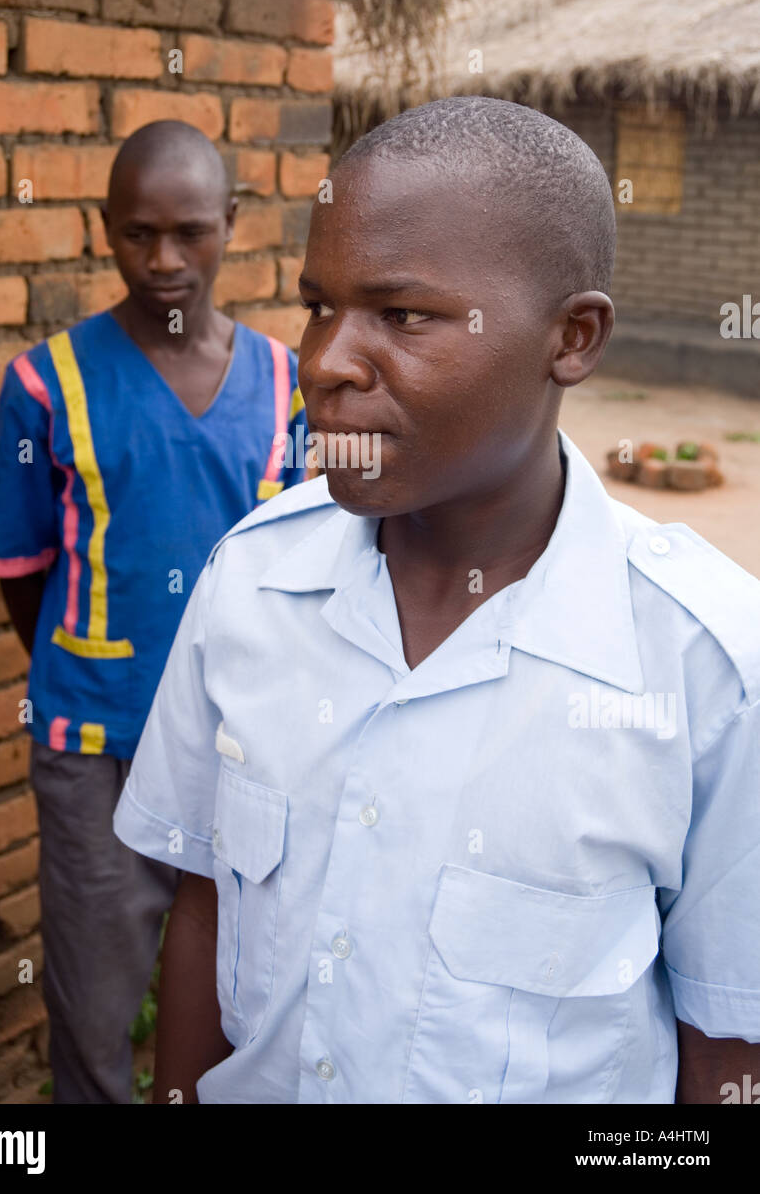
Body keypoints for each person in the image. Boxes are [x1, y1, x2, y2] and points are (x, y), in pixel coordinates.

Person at [113, 97, 760, 1105]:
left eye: (403, 316)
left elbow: (724, 1047)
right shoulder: (251, 581)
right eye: (316, 304)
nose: (323, 361)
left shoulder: (705, 668)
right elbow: (204, 904)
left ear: (571, 337)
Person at [0, 119, 307, 1104]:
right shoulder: (49, 381)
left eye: (190, 232)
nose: (164, 260)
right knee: (93, 1000)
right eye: (137, 233)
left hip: (243, 744)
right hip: (95, 747)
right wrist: (94, 678)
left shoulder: (287, 385)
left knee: (244, 990)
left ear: (232, 225)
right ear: (102, 228)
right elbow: (20, 568)